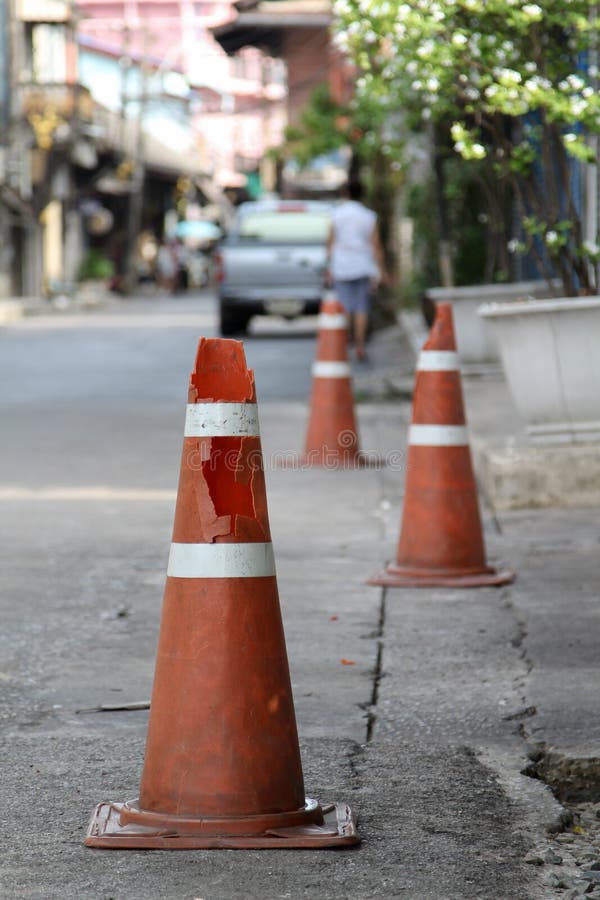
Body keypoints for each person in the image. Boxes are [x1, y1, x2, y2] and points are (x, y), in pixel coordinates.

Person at [326, 180, 387, 361]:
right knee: (361, 307)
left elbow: (330, 242)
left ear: (346, 194)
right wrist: (382, 270)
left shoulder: (336, 215)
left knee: (344, 307)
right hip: (363, 265)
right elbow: (376, 245)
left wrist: (328, 266)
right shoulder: (369, 216)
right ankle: (360, 346)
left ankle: (345, 344)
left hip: (341, 266)